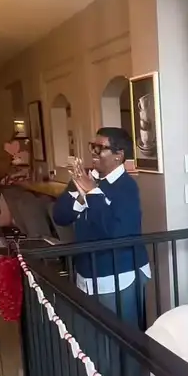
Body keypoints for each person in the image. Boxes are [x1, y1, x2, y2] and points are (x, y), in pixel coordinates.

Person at [53, 127, 150, 326]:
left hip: (118, 276)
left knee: (122, 334)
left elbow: (116, 232)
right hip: (87, 274)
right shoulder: (86, 179)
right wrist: (79, 197)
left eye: (100, 148)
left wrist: (92, 194)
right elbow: (60, 217)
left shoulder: (126, 187)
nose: (94, 152)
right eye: (93, 146)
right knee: (94, 333)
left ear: (118, 155)